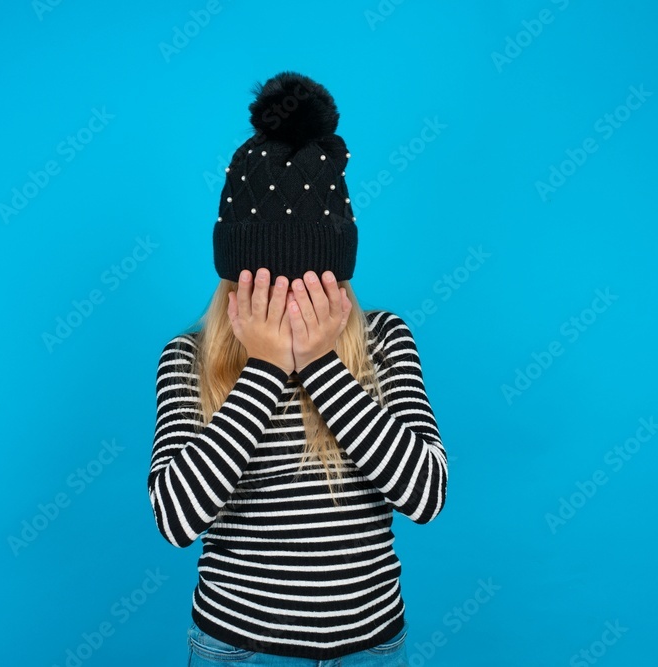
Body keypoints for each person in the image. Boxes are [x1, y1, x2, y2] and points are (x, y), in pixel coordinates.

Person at [148, 71, 448, 666]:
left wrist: (319, 362)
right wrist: (261, 367)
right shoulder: (186, 358)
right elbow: (178, 518)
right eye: (267, 286)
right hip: (240, 650)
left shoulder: (385, 339)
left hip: (371, 647)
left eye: (312, 286)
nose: (291, 307)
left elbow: (426, 495)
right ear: (235, 282)